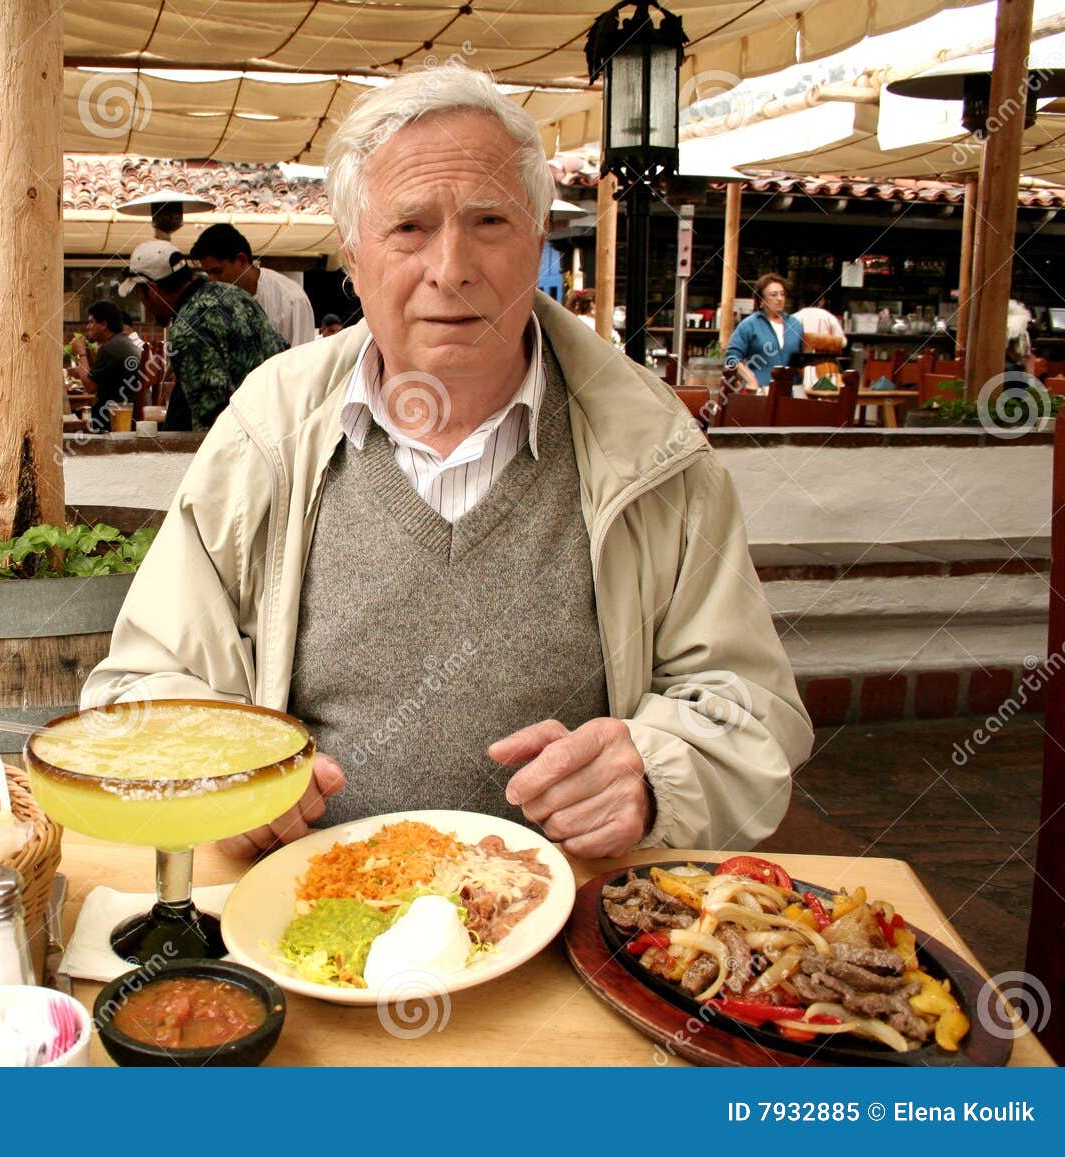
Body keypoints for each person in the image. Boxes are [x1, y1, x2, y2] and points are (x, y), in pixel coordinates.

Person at [84, 63, 811, 860]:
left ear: (537, 239)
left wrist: (654, 774)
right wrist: (217, 768)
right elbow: (139, 685)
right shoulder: (267, 431)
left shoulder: (651, 444)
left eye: (490, 221)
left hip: (571, 915)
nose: (452, 267)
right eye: (410, 227)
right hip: (301, 906)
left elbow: (752, 710)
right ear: (353, 255)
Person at [116, 239, 287, 432]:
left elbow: (215, 418)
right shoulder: (235, 293)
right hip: (279, 424)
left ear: (154, 290)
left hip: (245, 440)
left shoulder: (186, 329)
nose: (144, 304)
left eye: (140, 295)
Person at [189, 223, 317, 347]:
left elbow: (301, 356)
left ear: (242, 260)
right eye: (208, 273)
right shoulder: (213, 300)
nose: (212, 281)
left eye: (218, 271)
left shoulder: (291, 300)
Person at [68, 301, 142, 432]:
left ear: (103, 325)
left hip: (108, 420)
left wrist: (81, 353)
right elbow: (97, 376)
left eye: (91, 322)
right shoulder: (121, 342)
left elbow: (90, 386)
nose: (87, 327)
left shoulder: (110, 349)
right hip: (121, 415)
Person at [725, 273, 803, 393]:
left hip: (791, 391)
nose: (779, 298)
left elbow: (803, 358)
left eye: (782, 294)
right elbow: (732, 357)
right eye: (774, 295)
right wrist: (750, 379)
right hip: (760, 390)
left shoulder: (795, 324)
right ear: (761, 300)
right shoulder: (749, 324)